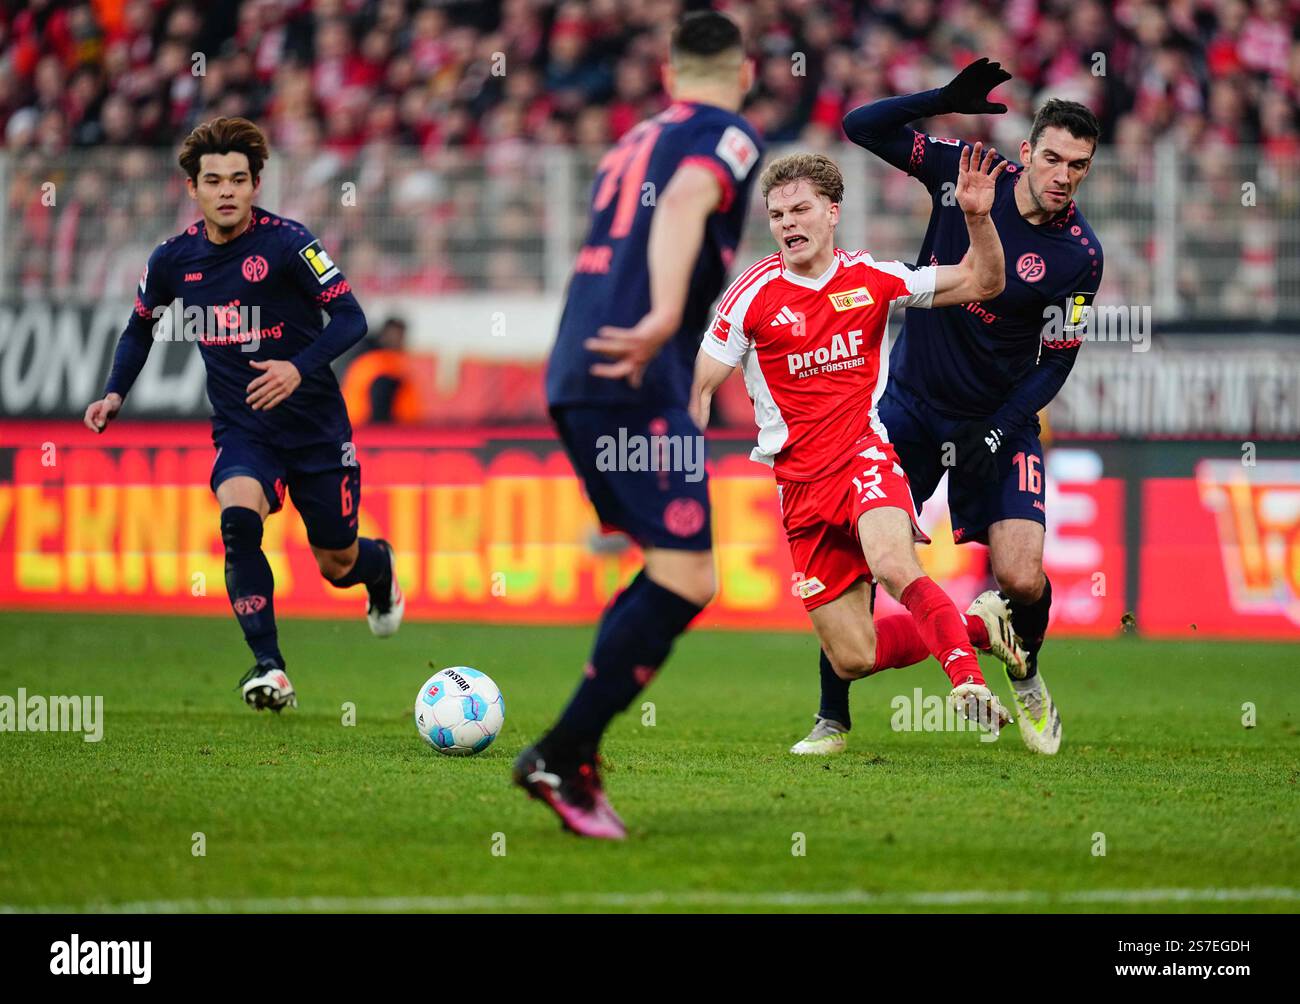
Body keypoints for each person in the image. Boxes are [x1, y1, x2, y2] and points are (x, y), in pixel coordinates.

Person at [793, 59, 1104, 757]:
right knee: (864, 556)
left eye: (1078, 166)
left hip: (1001, 420)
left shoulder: (1081, 257)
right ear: (1026, 152)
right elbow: (860, 125)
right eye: (1052, 157)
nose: (1062, 175)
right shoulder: (966, 171)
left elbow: (1057, 357)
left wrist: (1001, 427)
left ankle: (1025, 672)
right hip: (912, 408)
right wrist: (941, 101)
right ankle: (832, 718)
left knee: (1022, 577)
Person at [513, 10, 763, 839]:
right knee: (690, 577)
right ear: (747, 71)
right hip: (637, 369)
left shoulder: (629, 142)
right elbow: (689, 199)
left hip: (580, 366)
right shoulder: (725, 134)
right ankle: (562, 752)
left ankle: (572, 756)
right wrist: (664, 316)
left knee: (670, 566)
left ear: (665, 73)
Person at [692, 148, 1023, 739]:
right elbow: (700, 385)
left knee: (894, 562)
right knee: (854, 655)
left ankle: (966, 679)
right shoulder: (752, 294)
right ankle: (979, 628)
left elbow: (985, 281)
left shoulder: (872, 279)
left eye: (799, 210)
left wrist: (977, 218)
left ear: (832, 212)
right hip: (798, 485)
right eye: (776, 215)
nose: (787, 223)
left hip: (864, 456)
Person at [83, 116, 403, 713]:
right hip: (244, 428)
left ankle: (378, 568)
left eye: (238, 179)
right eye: (213, 180)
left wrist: (295, 368)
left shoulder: (290, 244)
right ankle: (270, 667)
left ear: (256, 184)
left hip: (315, 429)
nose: (226, 190)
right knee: (237, 523)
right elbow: (140, 328)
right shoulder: (173, 260)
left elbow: (354, 319)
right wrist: (114, 394)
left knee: (337, 563)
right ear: (192, 189)